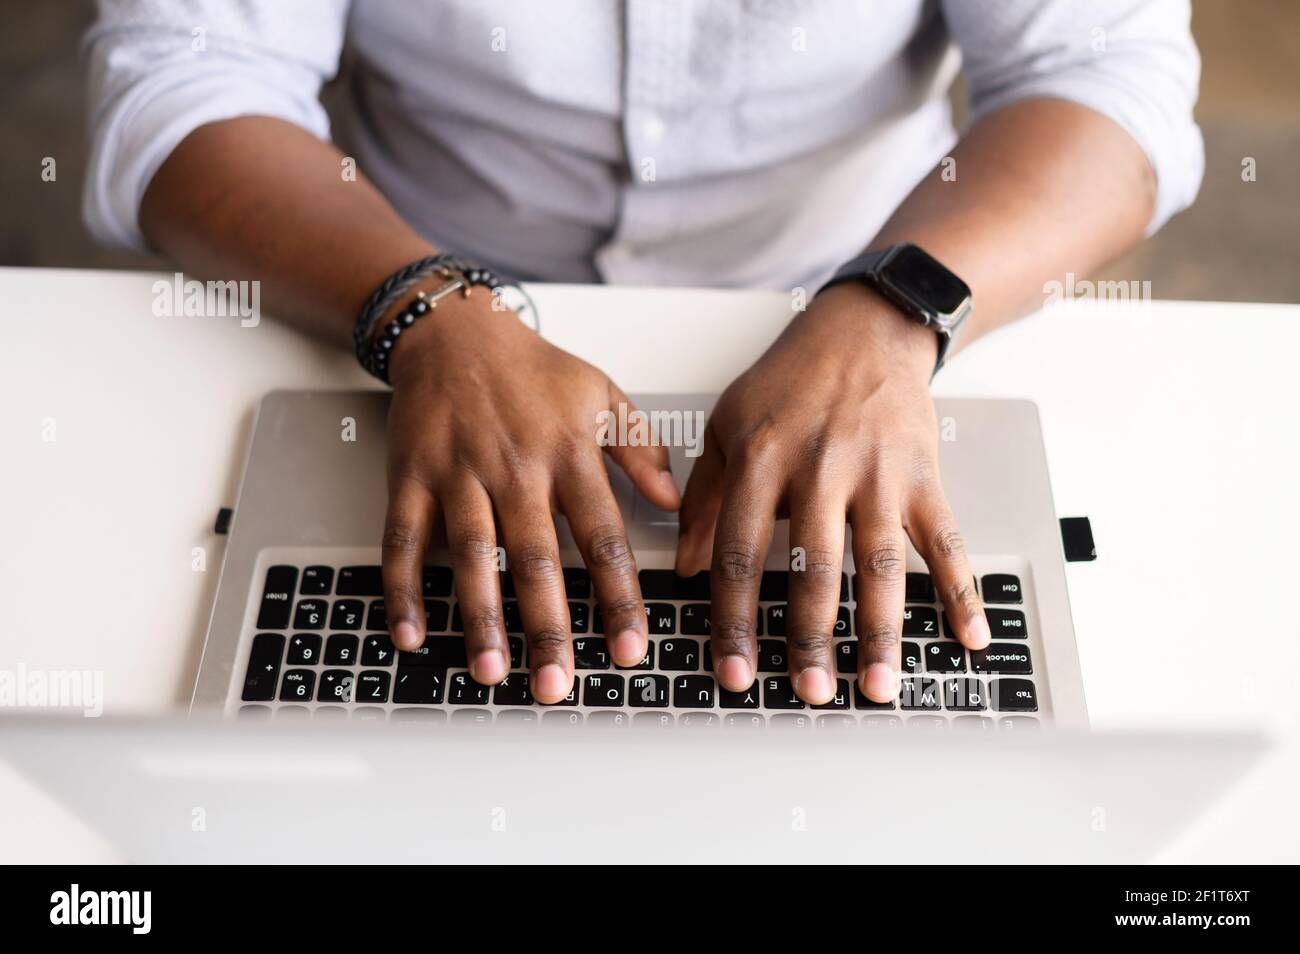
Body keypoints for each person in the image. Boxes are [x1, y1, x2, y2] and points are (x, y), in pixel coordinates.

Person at [83, 1, 1202, 706]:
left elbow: (1104, 78)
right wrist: (429, 312)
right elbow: (185, 79)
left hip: (864, 279)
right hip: (392, 276)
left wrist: (893, 305)